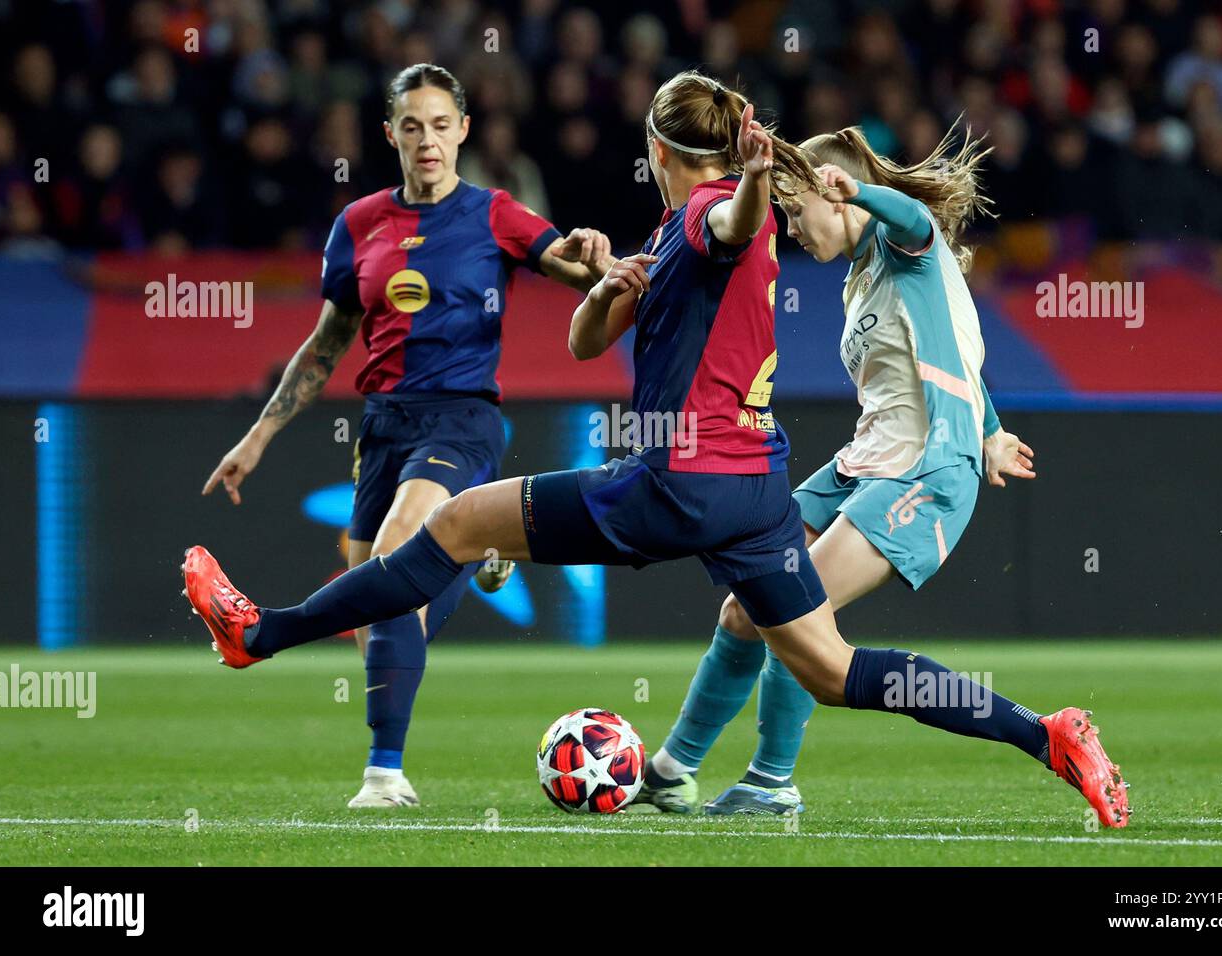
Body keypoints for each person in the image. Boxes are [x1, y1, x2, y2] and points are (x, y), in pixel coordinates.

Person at [183, 71, 1129, 828]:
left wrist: (758, 179)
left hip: (678, 480)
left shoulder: (716, 213)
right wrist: (609, 284)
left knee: (459, 523)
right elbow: (587, 343)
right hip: (754, 491)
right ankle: (1046, 735)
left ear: (655, 150)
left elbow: (738, 222)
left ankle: (260, 632)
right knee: (829, 669)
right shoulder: (674, 230)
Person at [199, 63, 615, 808]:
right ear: (391, 134)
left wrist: (598, 263)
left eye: (441, 124)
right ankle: (482, 551)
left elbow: (576, 272)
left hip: (462, 418)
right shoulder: (358, 225)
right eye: (412, 126)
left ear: (463, 130)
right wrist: (259, 435)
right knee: (380, 604)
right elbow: (328, 341)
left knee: (395, 556)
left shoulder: (495, 213)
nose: (428, 140)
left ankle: (383, 774)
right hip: (382, 426)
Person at [637, 124, 1040, 816]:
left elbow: (915, 219)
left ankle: (772, 780)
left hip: (925, 470)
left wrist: (869, 195)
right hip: (865, 462)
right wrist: (994, 428)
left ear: (838, 194)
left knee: (795, 605)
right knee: (746, 604)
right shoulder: (860, 279)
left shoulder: (901, 244)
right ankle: (672, 770)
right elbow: (950, 353)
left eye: (797, 210)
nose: (790, 227)